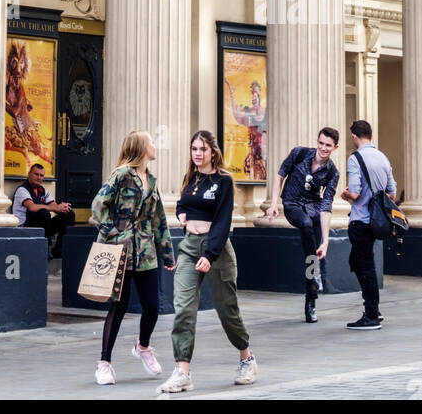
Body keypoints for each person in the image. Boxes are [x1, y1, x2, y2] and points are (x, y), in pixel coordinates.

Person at [160, 129, 257, 393]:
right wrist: (181, 215)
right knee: (183, 309)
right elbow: (183, 203)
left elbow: (223, 220)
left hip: (217, 250)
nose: (198, 154)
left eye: (202, 150)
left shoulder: (223, 181)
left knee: (227, 310)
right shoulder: (191, 177)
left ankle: (246, 358)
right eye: (194, 149)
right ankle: (182, 372)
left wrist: (210, 255)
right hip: (190, 246)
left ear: (212, 152)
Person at [90, 130, 176, 386]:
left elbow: (158, 219)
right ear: (141, 148)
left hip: (146, 253)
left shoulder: (151, 179)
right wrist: (114, 233)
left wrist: (167, 254)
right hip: (121, 253)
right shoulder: (122, 174)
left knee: (152, 306)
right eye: (151, 142)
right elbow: (98, 206)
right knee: (119, 306)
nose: (154, 145)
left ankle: (143, 346)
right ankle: (104, 363)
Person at [266, 127, 340, 323]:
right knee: (306, 225)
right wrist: (274, 204)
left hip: (314, 208)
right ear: (317, 141)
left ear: (335, 147)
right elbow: (280, 175)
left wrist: (325, 242)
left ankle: (311, 301)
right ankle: (316, 275)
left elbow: (326, 207)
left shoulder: (332, 172)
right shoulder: (299, 153)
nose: (323, 148)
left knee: (313, 254)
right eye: (321, 143)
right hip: (292, 205)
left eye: (328, 146)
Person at [341, 119, 395, 331]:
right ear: (370, 135)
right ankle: (373, 308)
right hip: (375, 221)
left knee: (364, 266)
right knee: (357, 261)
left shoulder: (355, 159)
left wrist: (345, 194)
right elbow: (391, 191)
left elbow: (354, 193)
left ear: (354, 136)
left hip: (360, 220)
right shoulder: (382, 157)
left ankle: (371, 314)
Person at [12, 163, 74, 257]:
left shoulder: (42, 190)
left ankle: (59, 249)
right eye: (36, 174)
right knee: (44, 213)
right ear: (29, 174)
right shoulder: (22, 190)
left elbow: (54, 206)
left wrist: (62, 207)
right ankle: (46, 248)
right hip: (25, 227)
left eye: (41, 175)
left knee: (69, 214)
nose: (39, 177)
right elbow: (32, 207)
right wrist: (54, 208)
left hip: (42, 226)